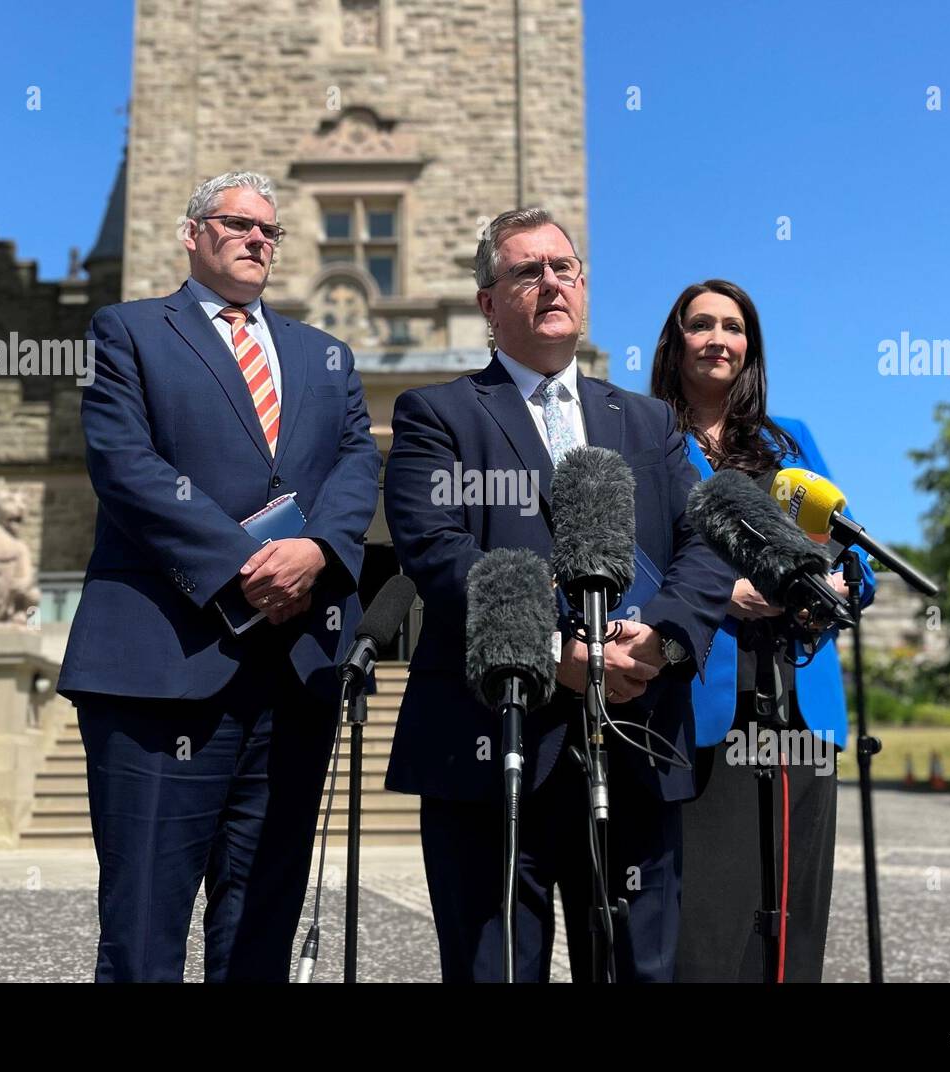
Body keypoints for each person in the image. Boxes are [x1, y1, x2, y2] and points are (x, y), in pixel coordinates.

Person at [382, 209, 734, 982]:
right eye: (526, 271)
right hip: (492, 744)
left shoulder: (649, 422)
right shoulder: (435, 415)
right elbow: (438, 554)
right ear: (487, 303)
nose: (551, 284)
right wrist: (552, 652)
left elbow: (707, 542)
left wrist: (665, 637)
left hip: (636, 741)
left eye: (564, 268)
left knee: (640, 970)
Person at [57, 171, 381, 982]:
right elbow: (125, 467)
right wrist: (244, 566)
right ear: (193, 233)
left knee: (259, 923)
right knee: (143, 928)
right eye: (238, 224)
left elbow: (356, 462)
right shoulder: (126, 331)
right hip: (161, 667)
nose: (256, 240)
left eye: (270, 231)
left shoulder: (325, 355)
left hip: (294, 676)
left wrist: (315, 551)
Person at [650, 279, 876, 982]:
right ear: (676, 339)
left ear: (750, 346)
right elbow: (635, 570)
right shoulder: (644, 439)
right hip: (700, 703)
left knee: (792, 930)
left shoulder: (791, 440)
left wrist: (842, 584)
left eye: (735, 326)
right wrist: (724, 593)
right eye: (702, 325)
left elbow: (855, 553)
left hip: (801, 701)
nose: (720, 338)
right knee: (708, 929)